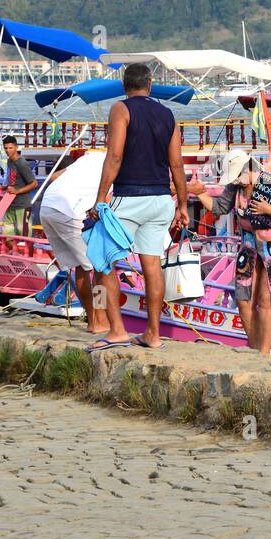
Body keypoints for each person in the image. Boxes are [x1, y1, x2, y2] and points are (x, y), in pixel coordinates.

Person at [87, 64, 189, 349]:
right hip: (160, 201)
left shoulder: (120, 109)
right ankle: (153, 334)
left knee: (100, 261)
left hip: (129, 198)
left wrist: (100, 197)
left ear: (124, 85)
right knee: (152, 265)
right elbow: (177, 164)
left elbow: (115, 156)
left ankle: (114, 328)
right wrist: (182, 204)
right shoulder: (168, 115)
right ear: (151, 84)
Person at [188, 151, 271, 354]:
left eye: (237, 176)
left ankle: (263, 353)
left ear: (249, 168)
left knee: (267, 301)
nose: (235, 181)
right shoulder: (235, 188)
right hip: (250, 247)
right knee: (243, 299)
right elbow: (219, 208)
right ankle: (254, 347)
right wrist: (199, 193)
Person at [39, 151, 108, 334]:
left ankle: (93, 320)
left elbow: (54, 176)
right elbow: (108, 202)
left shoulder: (91, 156)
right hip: (67, 209)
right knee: (100, 266)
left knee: (81, 266)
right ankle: (99, 320)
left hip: (47, 206)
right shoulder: (117, 163)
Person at [1, 135, 37, 233]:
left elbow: (34, 184)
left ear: (16, 147)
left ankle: (27, 249)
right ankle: (13, 249)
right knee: (6, 236)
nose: (8, 151)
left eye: (11, 148)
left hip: (23, 206)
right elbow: (12, 179)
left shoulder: (22, 163)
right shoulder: (9, 161)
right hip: (10, 205)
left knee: (25, 237)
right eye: (6, 148)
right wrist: (3, 187)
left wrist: (17, 191)